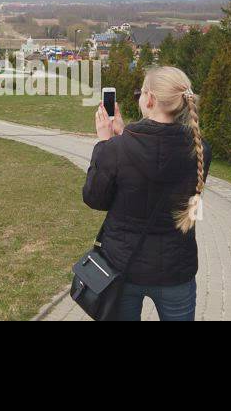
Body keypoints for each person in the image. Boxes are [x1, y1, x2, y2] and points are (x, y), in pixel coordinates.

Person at [83, 66, 212, 321]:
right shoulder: (200, 150)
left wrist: (106, 143)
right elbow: (159, 158)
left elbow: (95, 199)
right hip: (177, 269)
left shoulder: (115, 149)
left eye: (141, 92)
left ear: (150, 99)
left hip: (123, 266)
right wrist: (123, 134)